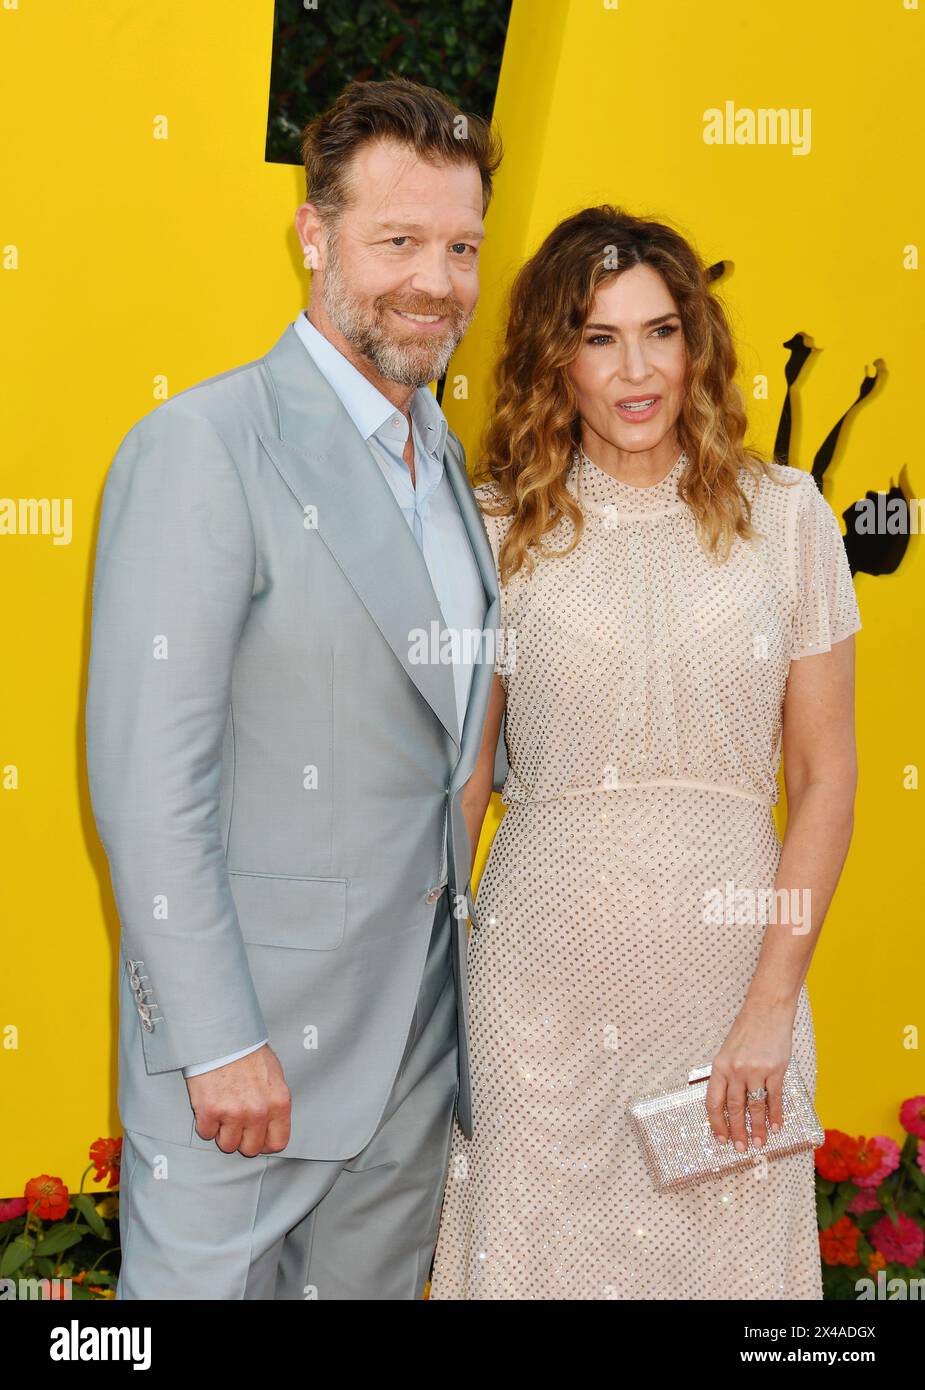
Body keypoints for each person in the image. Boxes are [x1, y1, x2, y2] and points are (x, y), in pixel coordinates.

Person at [85, 76, 504, 1300]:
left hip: (413, 1056)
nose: (435, 280)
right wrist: (218, 1038)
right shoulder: (205, 445)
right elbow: (147, 778)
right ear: (313, 239)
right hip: (248, 1063)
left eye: (461, 247)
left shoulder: (446, 466)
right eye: (399, 242)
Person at [429, 206, 861, 1300]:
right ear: (551, 358)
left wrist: (771, 1003)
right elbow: (467, 784)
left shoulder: (787, 517)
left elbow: (823, 779)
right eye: (598, 336)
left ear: (695, 344)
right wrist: (416, 995)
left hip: (729, 984)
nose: (635, 369)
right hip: (537, 988)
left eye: (659, 332)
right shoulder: (496, 527)